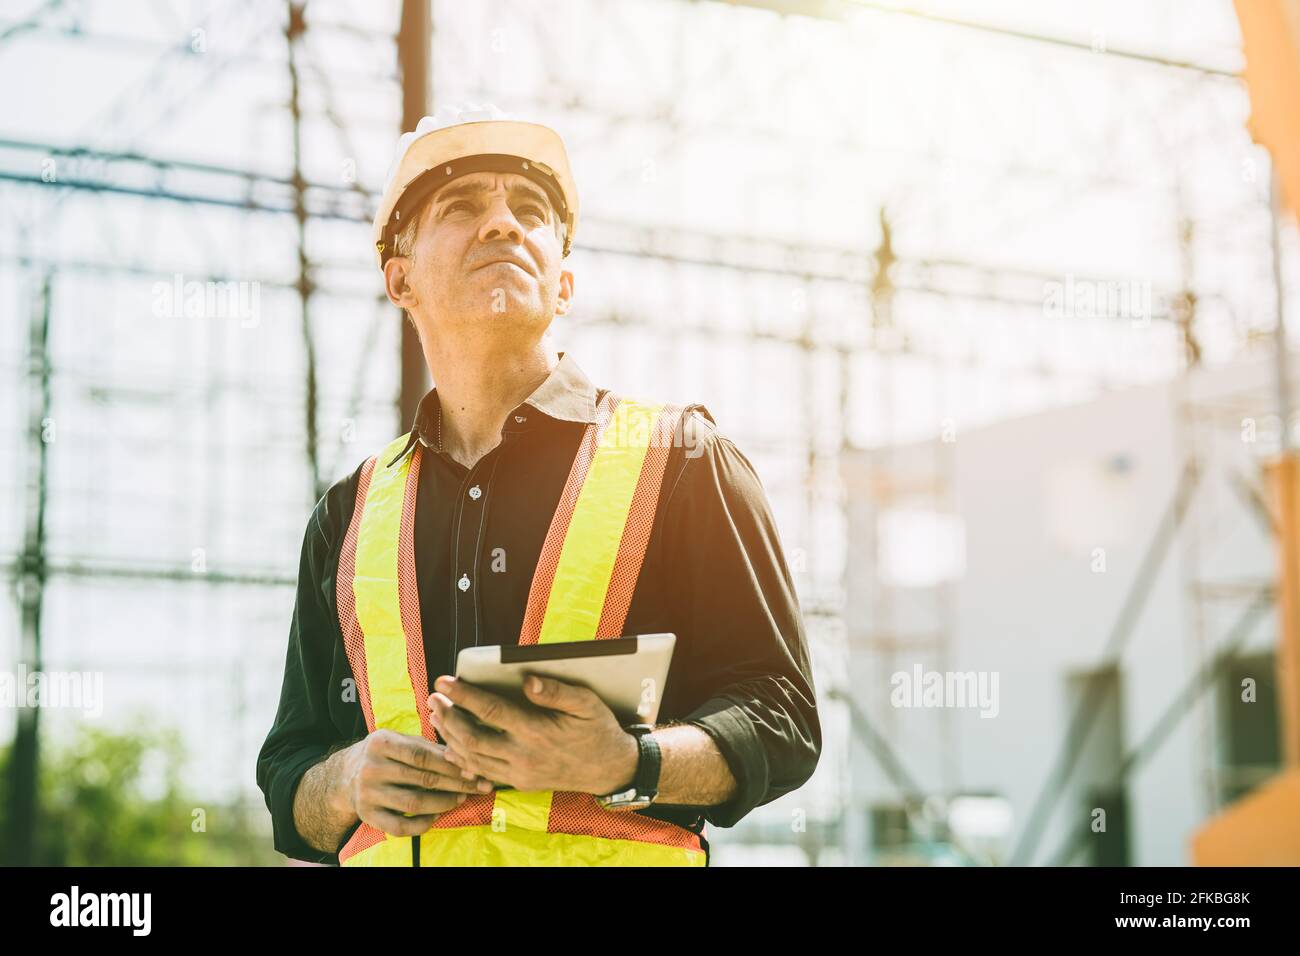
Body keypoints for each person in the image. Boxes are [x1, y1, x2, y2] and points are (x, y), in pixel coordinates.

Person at [256, 104, 820, 866]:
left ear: (564, 284)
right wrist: (348, 779)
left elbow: (782, 718)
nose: (502, 225)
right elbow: (289, 775)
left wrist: (628, 762)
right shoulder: (349, 514)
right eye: (462, 207)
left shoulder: (682, 460)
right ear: (400, 278)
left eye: (528, 211)